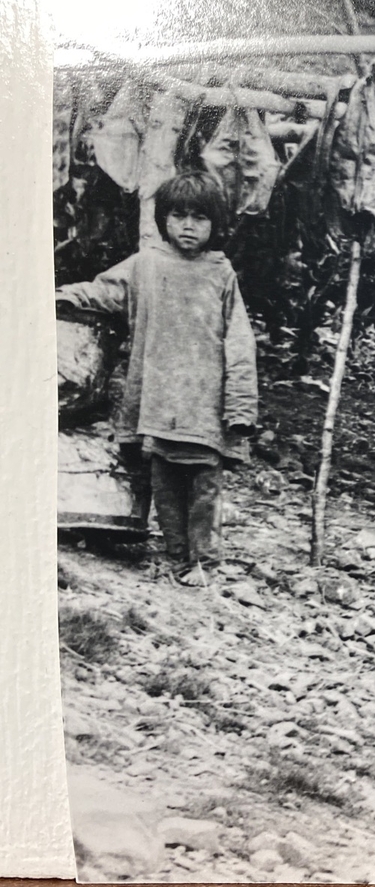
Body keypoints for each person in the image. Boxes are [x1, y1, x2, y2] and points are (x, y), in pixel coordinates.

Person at [55, 171, 258, 585]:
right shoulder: (145, 265)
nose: (187, 226)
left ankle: (205, 561)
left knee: (204, 485)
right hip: (159, 400)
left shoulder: (221, 275)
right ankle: (179, 559)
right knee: (165, 482)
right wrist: (57, 294)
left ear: (215, 224)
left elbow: (240, 343)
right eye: (178, 215)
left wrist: (240, 406)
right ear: (163, 219)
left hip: (205, 404)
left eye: (199, 218)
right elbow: (103, 291)